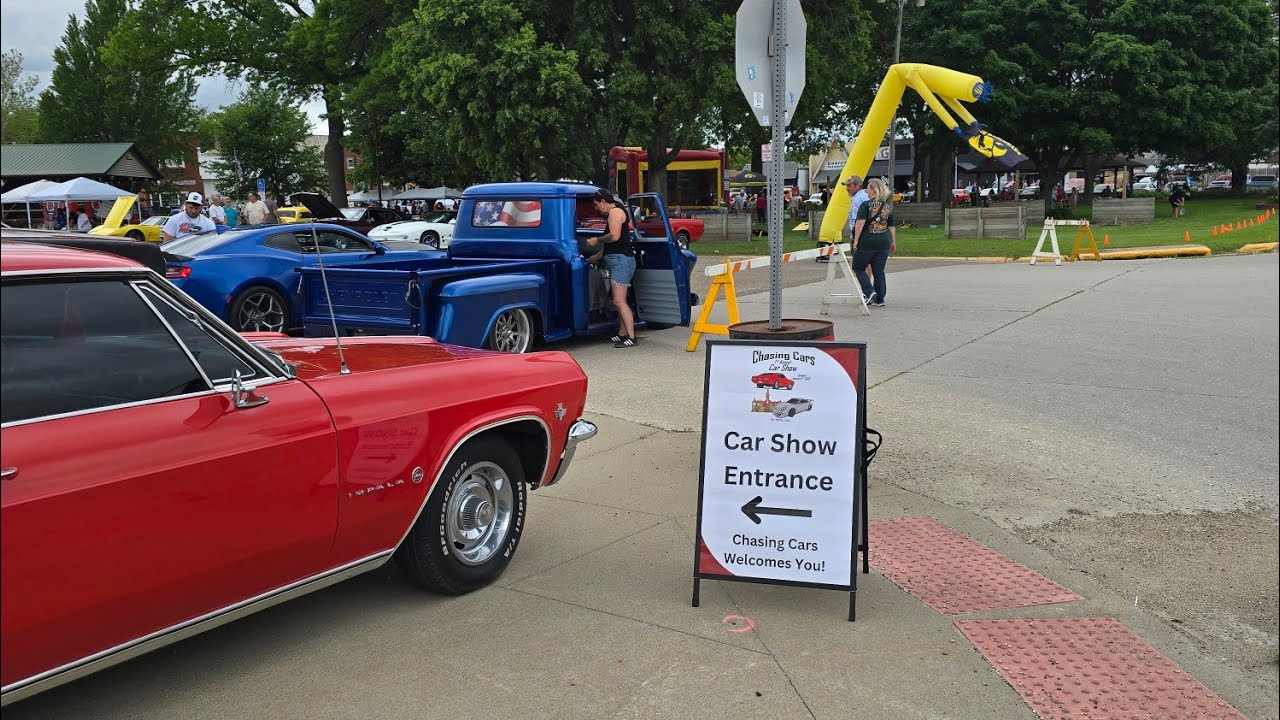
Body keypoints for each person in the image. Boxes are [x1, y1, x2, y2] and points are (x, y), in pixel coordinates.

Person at [586, 189, 637, 348]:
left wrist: (596, 240)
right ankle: (622, 333)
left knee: (618, 300)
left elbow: (613, 236)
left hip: (621, 262)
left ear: (602, 201)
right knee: (621, 300)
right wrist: (598, 256)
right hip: (620, 260)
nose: (596, 208)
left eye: (596, 204)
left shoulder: (615, 213)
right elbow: (617, 242)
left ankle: (631, 337)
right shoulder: (617, 212)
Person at [851, 178, 896, 307]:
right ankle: (880, 298)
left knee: (858, 267)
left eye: (868, 189)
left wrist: (856, 240)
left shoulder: (865, 205)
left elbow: (860, 223)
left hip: (867, 242)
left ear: (873, 190)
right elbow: (891, 227)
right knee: (879, 271)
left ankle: (869, 291)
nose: (867, 192)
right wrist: (893, 242)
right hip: (883, 242)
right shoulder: (887, 207)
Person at [820, 175, 866, 263]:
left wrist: (856, 239)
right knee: (869, 265)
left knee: (859, 267)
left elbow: (858, 222)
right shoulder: (866, 195)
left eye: (849, 186)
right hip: (871, 235)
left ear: (858, 186)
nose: (847, 188)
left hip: (861, 237)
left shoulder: (857, 200)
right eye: (846, 186)